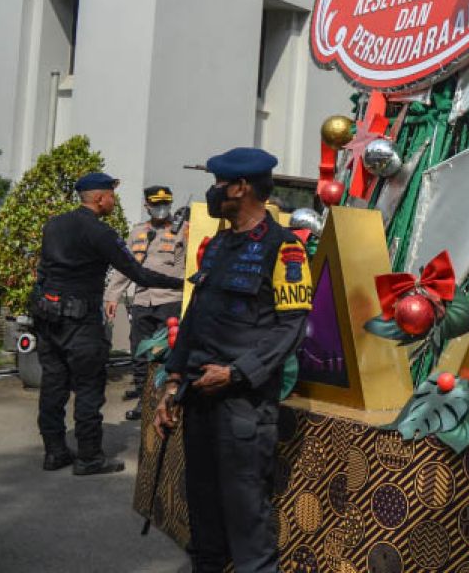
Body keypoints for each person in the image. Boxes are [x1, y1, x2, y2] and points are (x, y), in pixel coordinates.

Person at [154, 147, 312, 573]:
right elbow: (195, 316)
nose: (213, 192)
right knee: (203, 518)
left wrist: (237, 372)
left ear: (241, 188)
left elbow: (291, 329)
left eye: (219, 184)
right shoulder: (220, 243)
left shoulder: (285, 249)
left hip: (244, 407)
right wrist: (173, 379)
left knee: (247, 523)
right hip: (199, 399)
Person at [32, 172, 184, 475]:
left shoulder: (54, 225)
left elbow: (45, 270)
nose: (114, 201)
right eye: (112, 196)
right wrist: (181, 283)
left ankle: (54, 452)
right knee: (89, 388)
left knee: (53, 386)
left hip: (48, 317)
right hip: (81, 322)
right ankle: (89, 457)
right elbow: (137, 273)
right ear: (100, 198)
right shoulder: (101, 232)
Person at [104, 185, 186, 421]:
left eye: (165, 204)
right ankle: (144, 399)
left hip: (170, 299)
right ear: (147, 206)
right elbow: (125, 266)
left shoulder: (183, 230)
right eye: (156, 205)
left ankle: (166, 399)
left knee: (166, 352)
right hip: (142, 300)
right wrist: (112, 296)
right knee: (139, 351)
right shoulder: (138, 232)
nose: (161, 209)